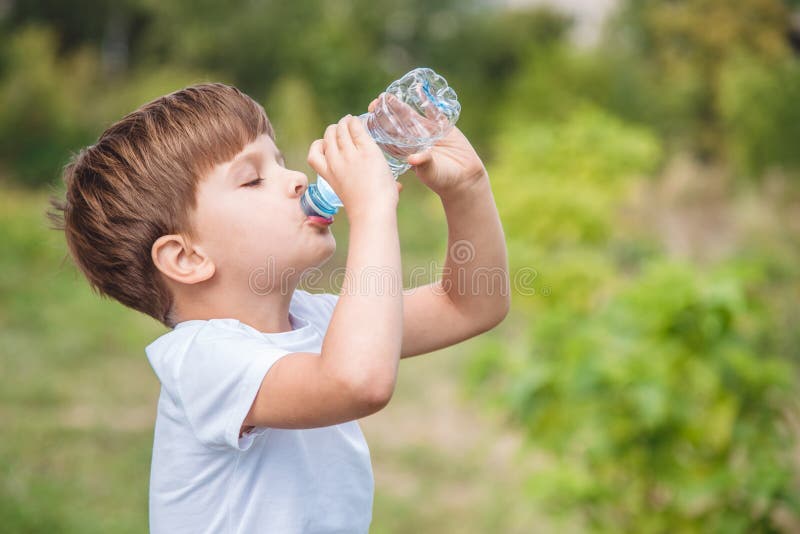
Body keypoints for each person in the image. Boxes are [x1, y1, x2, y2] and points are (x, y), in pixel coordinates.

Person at [50, 82, 509, 533]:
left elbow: (469, 305)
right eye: (253, 179)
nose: (296, 179)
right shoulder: (203, 359)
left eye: (281, 163)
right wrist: (371, 212)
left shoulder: (313, 322)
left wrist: (466, 187)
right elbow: (356, 383)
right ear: (187, 258)